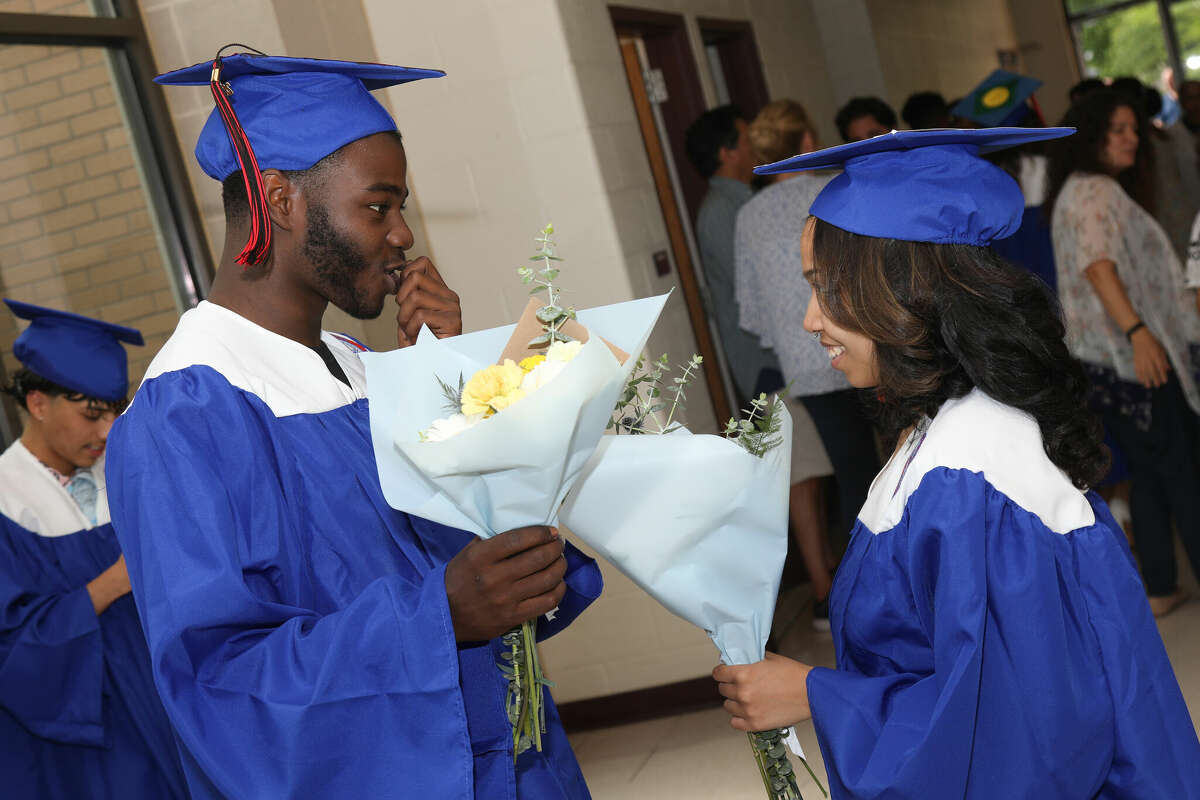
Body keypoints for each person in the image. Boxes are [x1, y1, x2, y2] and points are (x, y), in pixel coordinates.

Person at [104, 52, 602, 799]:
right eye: (379, 206)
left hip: (513, 767)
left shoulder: (365, 367)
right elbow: (222, 686)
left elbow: (472, 563)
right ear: (279, 198)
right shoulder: (186, 418)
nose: (402, 235)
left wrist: (452, 385)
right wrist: (436, 617)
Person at [713, 128, 1200, 798]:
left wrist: (817, 695)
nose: (808, 319)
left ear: (903, 291)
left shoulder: (973, 478)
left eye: (825, 287)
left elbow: (1015, 737)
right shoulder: (940, 437)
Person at [0, 300, 188, 799]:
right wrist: (113, 583)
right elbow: (11, 654)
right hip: (77, 758)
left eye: (113, 413)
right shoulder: (5, 502)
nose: (107, 431)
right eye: (90, 415)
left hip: (170, 722)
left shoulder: (128, 477)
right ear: (38, 403)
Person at [1047, 88, 1200, 617]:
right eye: (1118, 130)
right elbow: (1098, 266)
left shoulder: (1081, 189)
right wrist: (1138, 332)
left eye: (1134, 129)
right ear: (1091, 137)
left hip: (1108, 361)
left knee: (1153, 474)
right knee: (1181, 470)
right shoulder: (1093, 193)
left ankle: (1160, 586)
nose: (1131, 139)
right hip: (1129, 355)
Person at [735, 99, 880, 629]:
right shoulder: (832, 190)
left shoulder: (746, 216)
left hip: (800, 360)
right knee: (870, 469)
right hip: (857, 346)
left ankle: (852, 595)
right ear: (804, 141)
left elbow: (748, 309)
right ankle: (875, 593)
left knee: (842, 472)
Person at [684, 104, 784, 402]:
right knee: (804, 448)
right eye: (746, 139)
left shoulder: (748, 200)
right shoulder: (720, 212)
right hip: (767, 365)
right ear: (726, 154)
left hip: (785, 356)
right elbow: (753, 287)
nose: (756, 144)